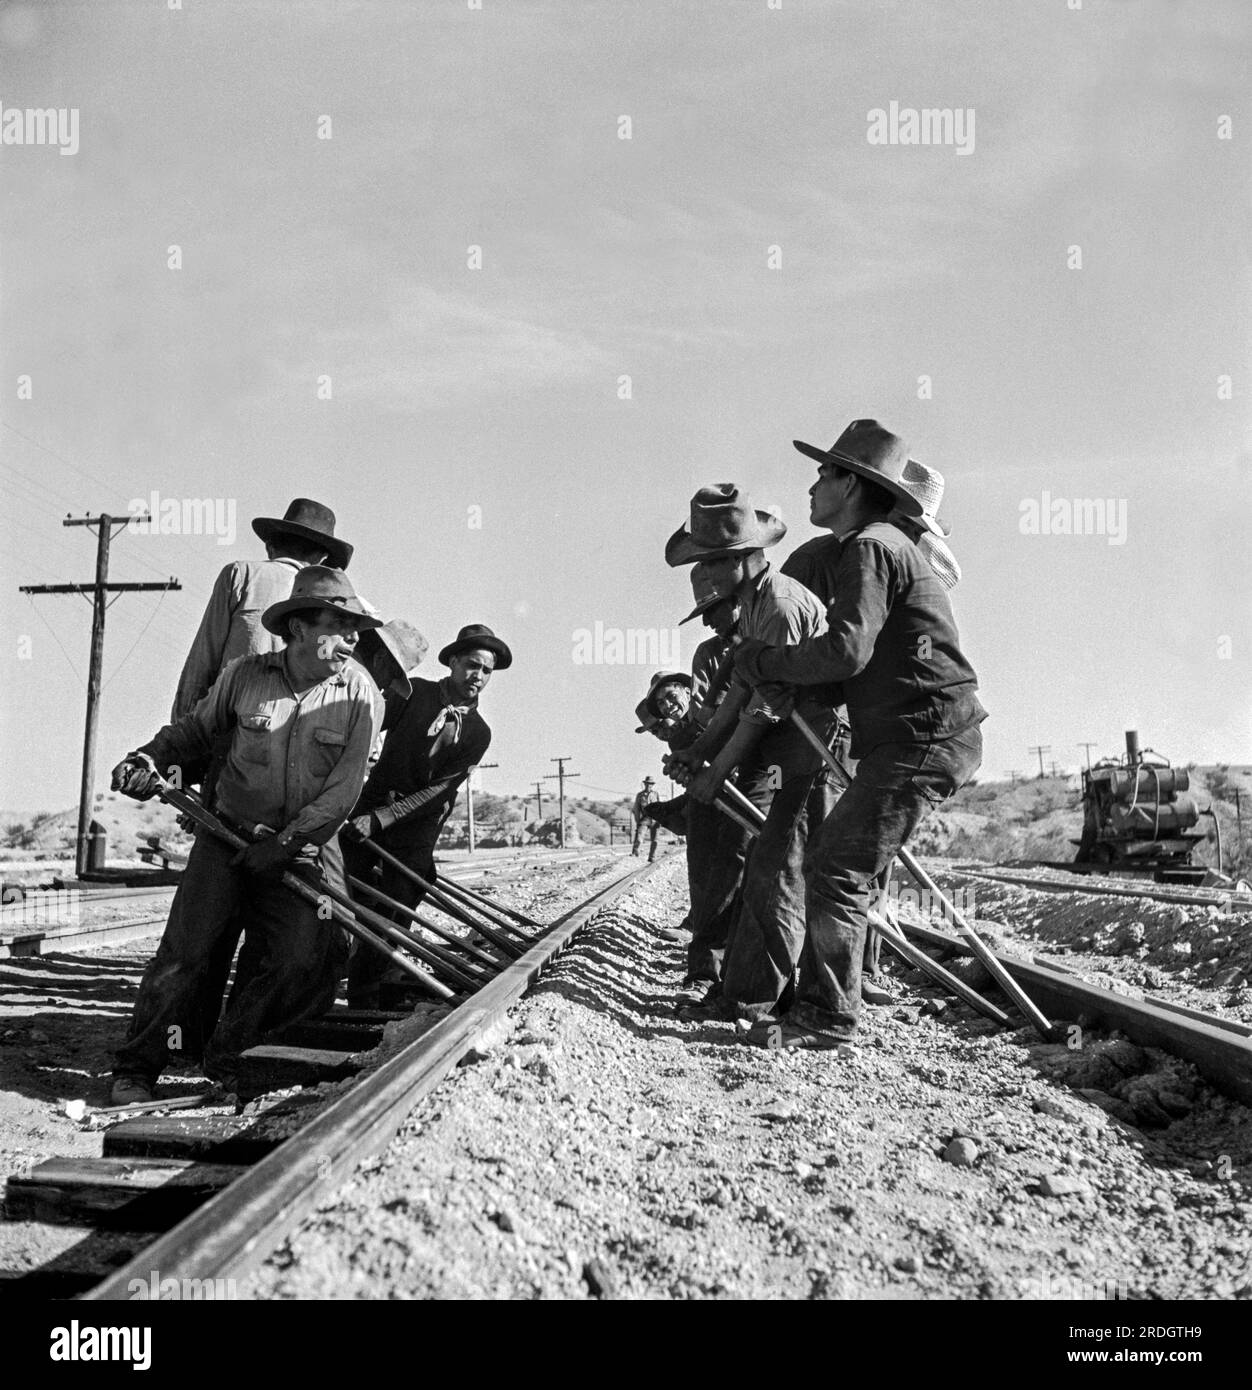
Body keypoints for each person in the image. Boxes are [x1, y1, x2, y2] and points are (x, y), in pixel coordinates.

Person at [734, 419, 985, 1051]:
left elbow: (846, 652)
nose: (812, 486)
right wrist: (797, 681)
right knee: (840, 863)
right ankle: (822, 1001)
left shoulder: (871, 546)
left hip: (923, 733)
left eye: (823, 473)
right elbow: (858, 663)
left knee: (836, 867)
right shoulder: (879, 544)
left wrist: (765, 664)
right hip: (920, 731)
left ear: (850, 483)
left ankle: (826, 1016)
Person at [107, 567, 383, 1103]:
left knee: (307, 954)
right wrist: (150, 758)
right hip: (225, 835)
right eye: (341, 623)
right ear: (299, 627)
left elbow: (343, 792)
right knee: (184, 954)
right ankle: (137, 1068)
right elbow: (193, 732)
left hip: (301, 843)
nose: (353, 637)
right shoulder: (244, 675)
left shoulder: (360, 694)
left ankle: (231, 1055)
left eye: (357, 626)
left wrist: (284, 845)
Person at [665, 485, 844, 1026]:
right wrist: (698, 752)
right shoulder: (753, 607)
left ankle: (762, 999)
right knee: (766, 872)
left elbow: (765, 707)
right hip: (787, 746)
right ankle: (743, 993)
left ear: (745, 557)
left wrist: (715, 772)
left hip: (813, 751)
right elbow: (741, 691)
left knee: (781, 874)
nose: (705, 575)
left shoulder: (783, 607)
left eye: (712, 562)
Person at [341, 623, 510, 1009]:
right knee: (341, 888)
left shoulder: (478, 733)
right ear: (452, 661)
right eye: (472, 665)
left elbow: (439, 791)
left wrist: (383, 819)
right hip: (368, 806)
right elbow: (367, 727)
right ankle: (322, 978)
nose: (479, 677)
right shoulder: (414, 691)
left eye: (486, 671)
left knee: (399, 899)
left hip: (417, 826)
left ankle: (367, 994)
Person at [632, 776, 661, 861]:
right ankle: (634, 853)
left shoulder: (655, 794)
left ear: (652, 785)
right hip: (645, 818)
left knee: (655, 840)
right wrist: (638, 821)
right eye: (647, 784)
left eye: (651, 784)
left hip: (655, 819)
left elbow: (660, 807)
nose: (649, 785)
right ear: (644, 784)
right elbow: (636, 809)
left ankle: (652, 857)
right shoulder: (640, 795)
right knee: (639, 838)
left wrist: (661, 819)